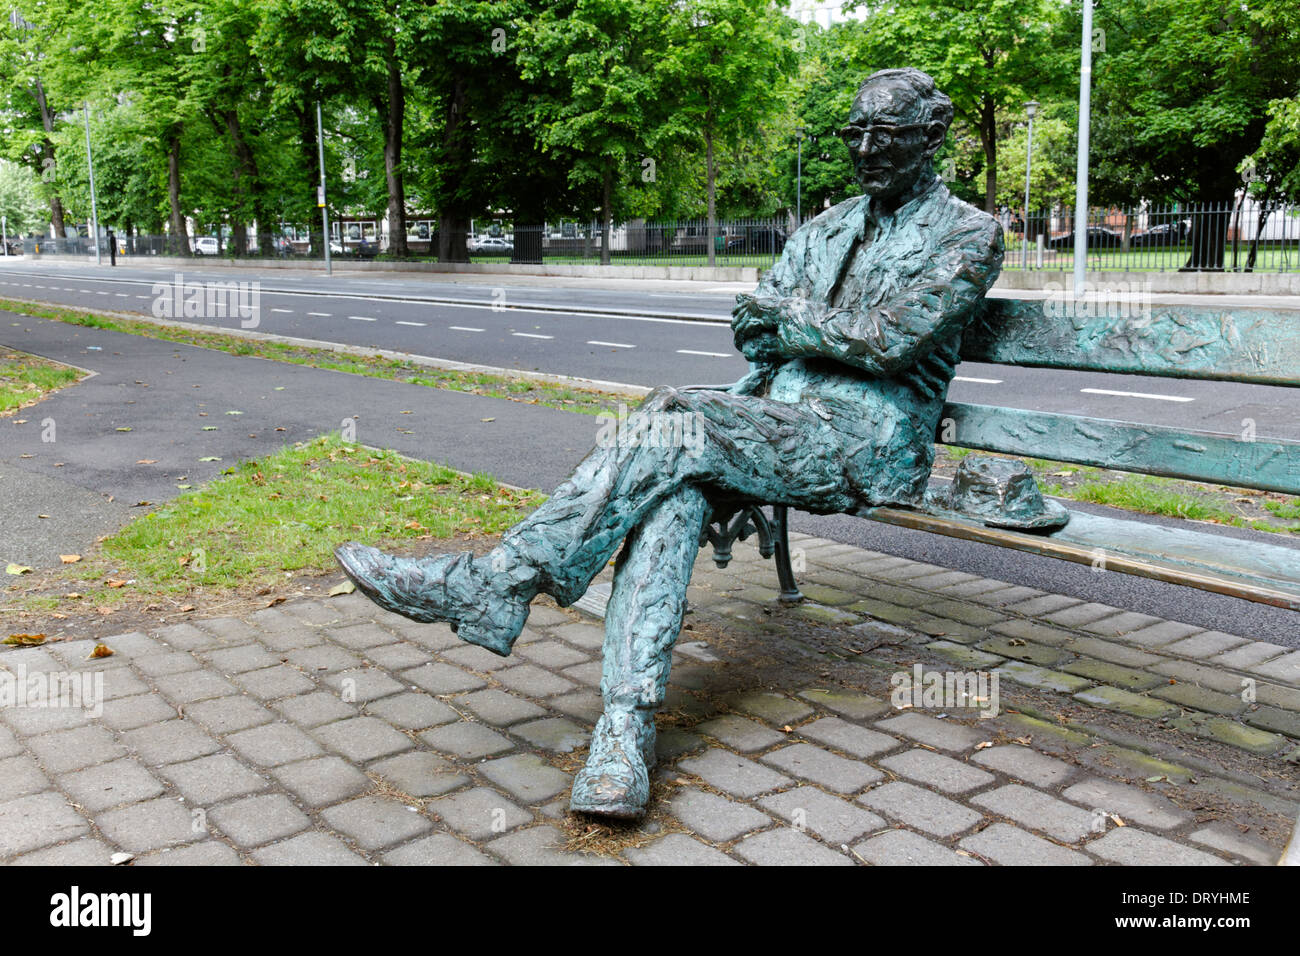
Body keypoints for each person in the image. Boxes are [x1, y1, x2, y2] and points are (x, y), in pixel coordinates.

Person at [336, 67, 1004, 818]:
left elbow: (889, 340)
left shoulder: (971, 233)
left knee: (675, 417)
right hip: (770, 424)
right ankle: (622, 730)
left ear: (933, 136)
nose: (866, 148)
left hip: (864, 446)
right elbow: (752, 328)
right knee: (673, 486)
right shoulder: (824, 228)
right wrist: (793, 319)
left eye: (886, 134)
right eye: (855, 132)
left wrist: (789, 316)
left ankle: (496, 585)